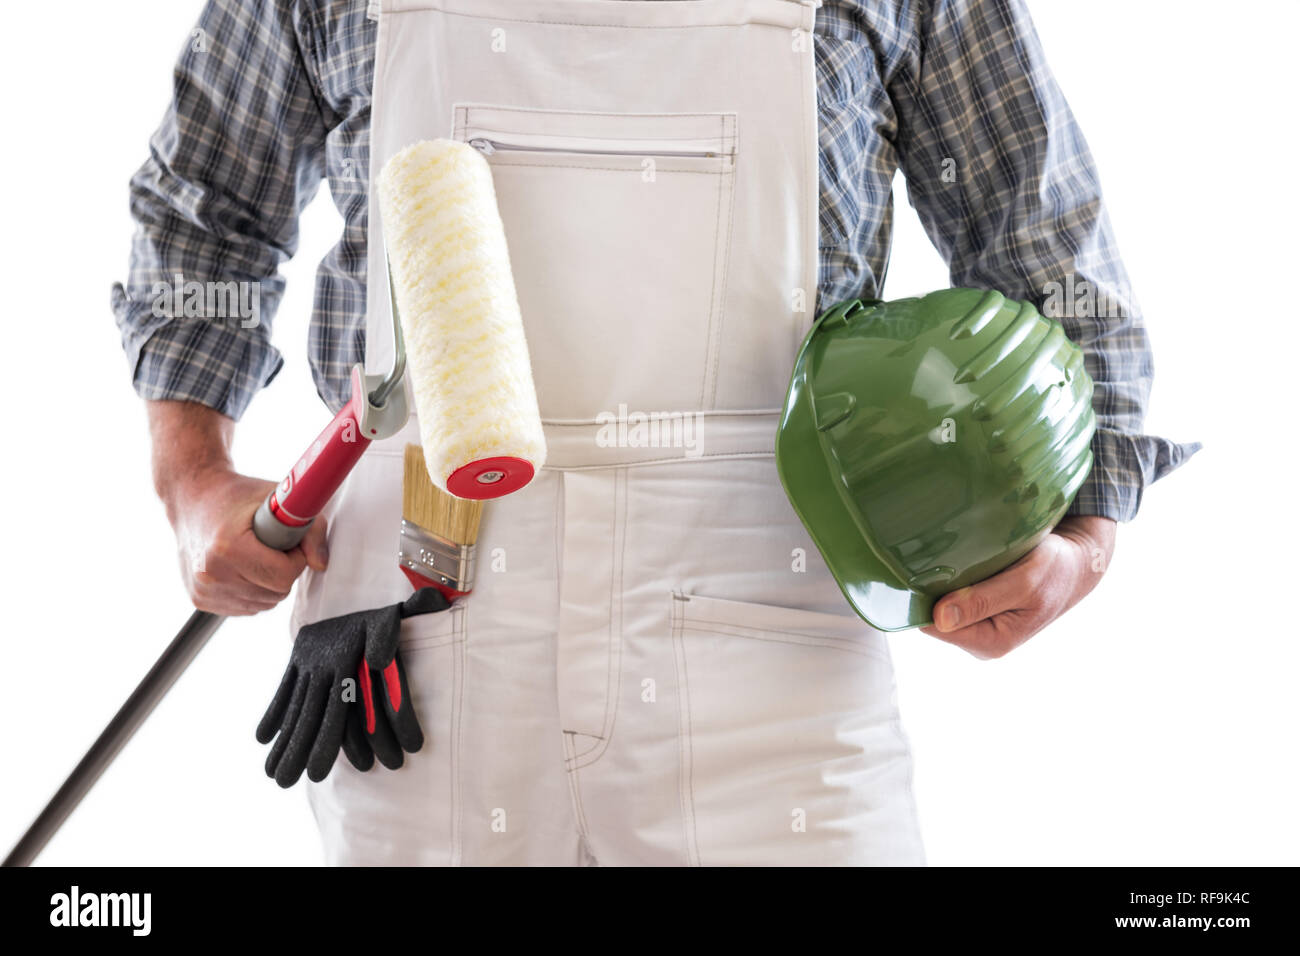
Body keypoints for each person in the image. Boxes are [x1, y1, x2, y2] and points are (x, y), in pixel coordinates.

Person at [112, 0, 1197, 865]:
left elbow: (1044, 245)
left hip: (773, 629)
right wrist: (194, 479)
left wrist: (1085, 539)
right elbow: (205, 203)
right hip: (419, 638)